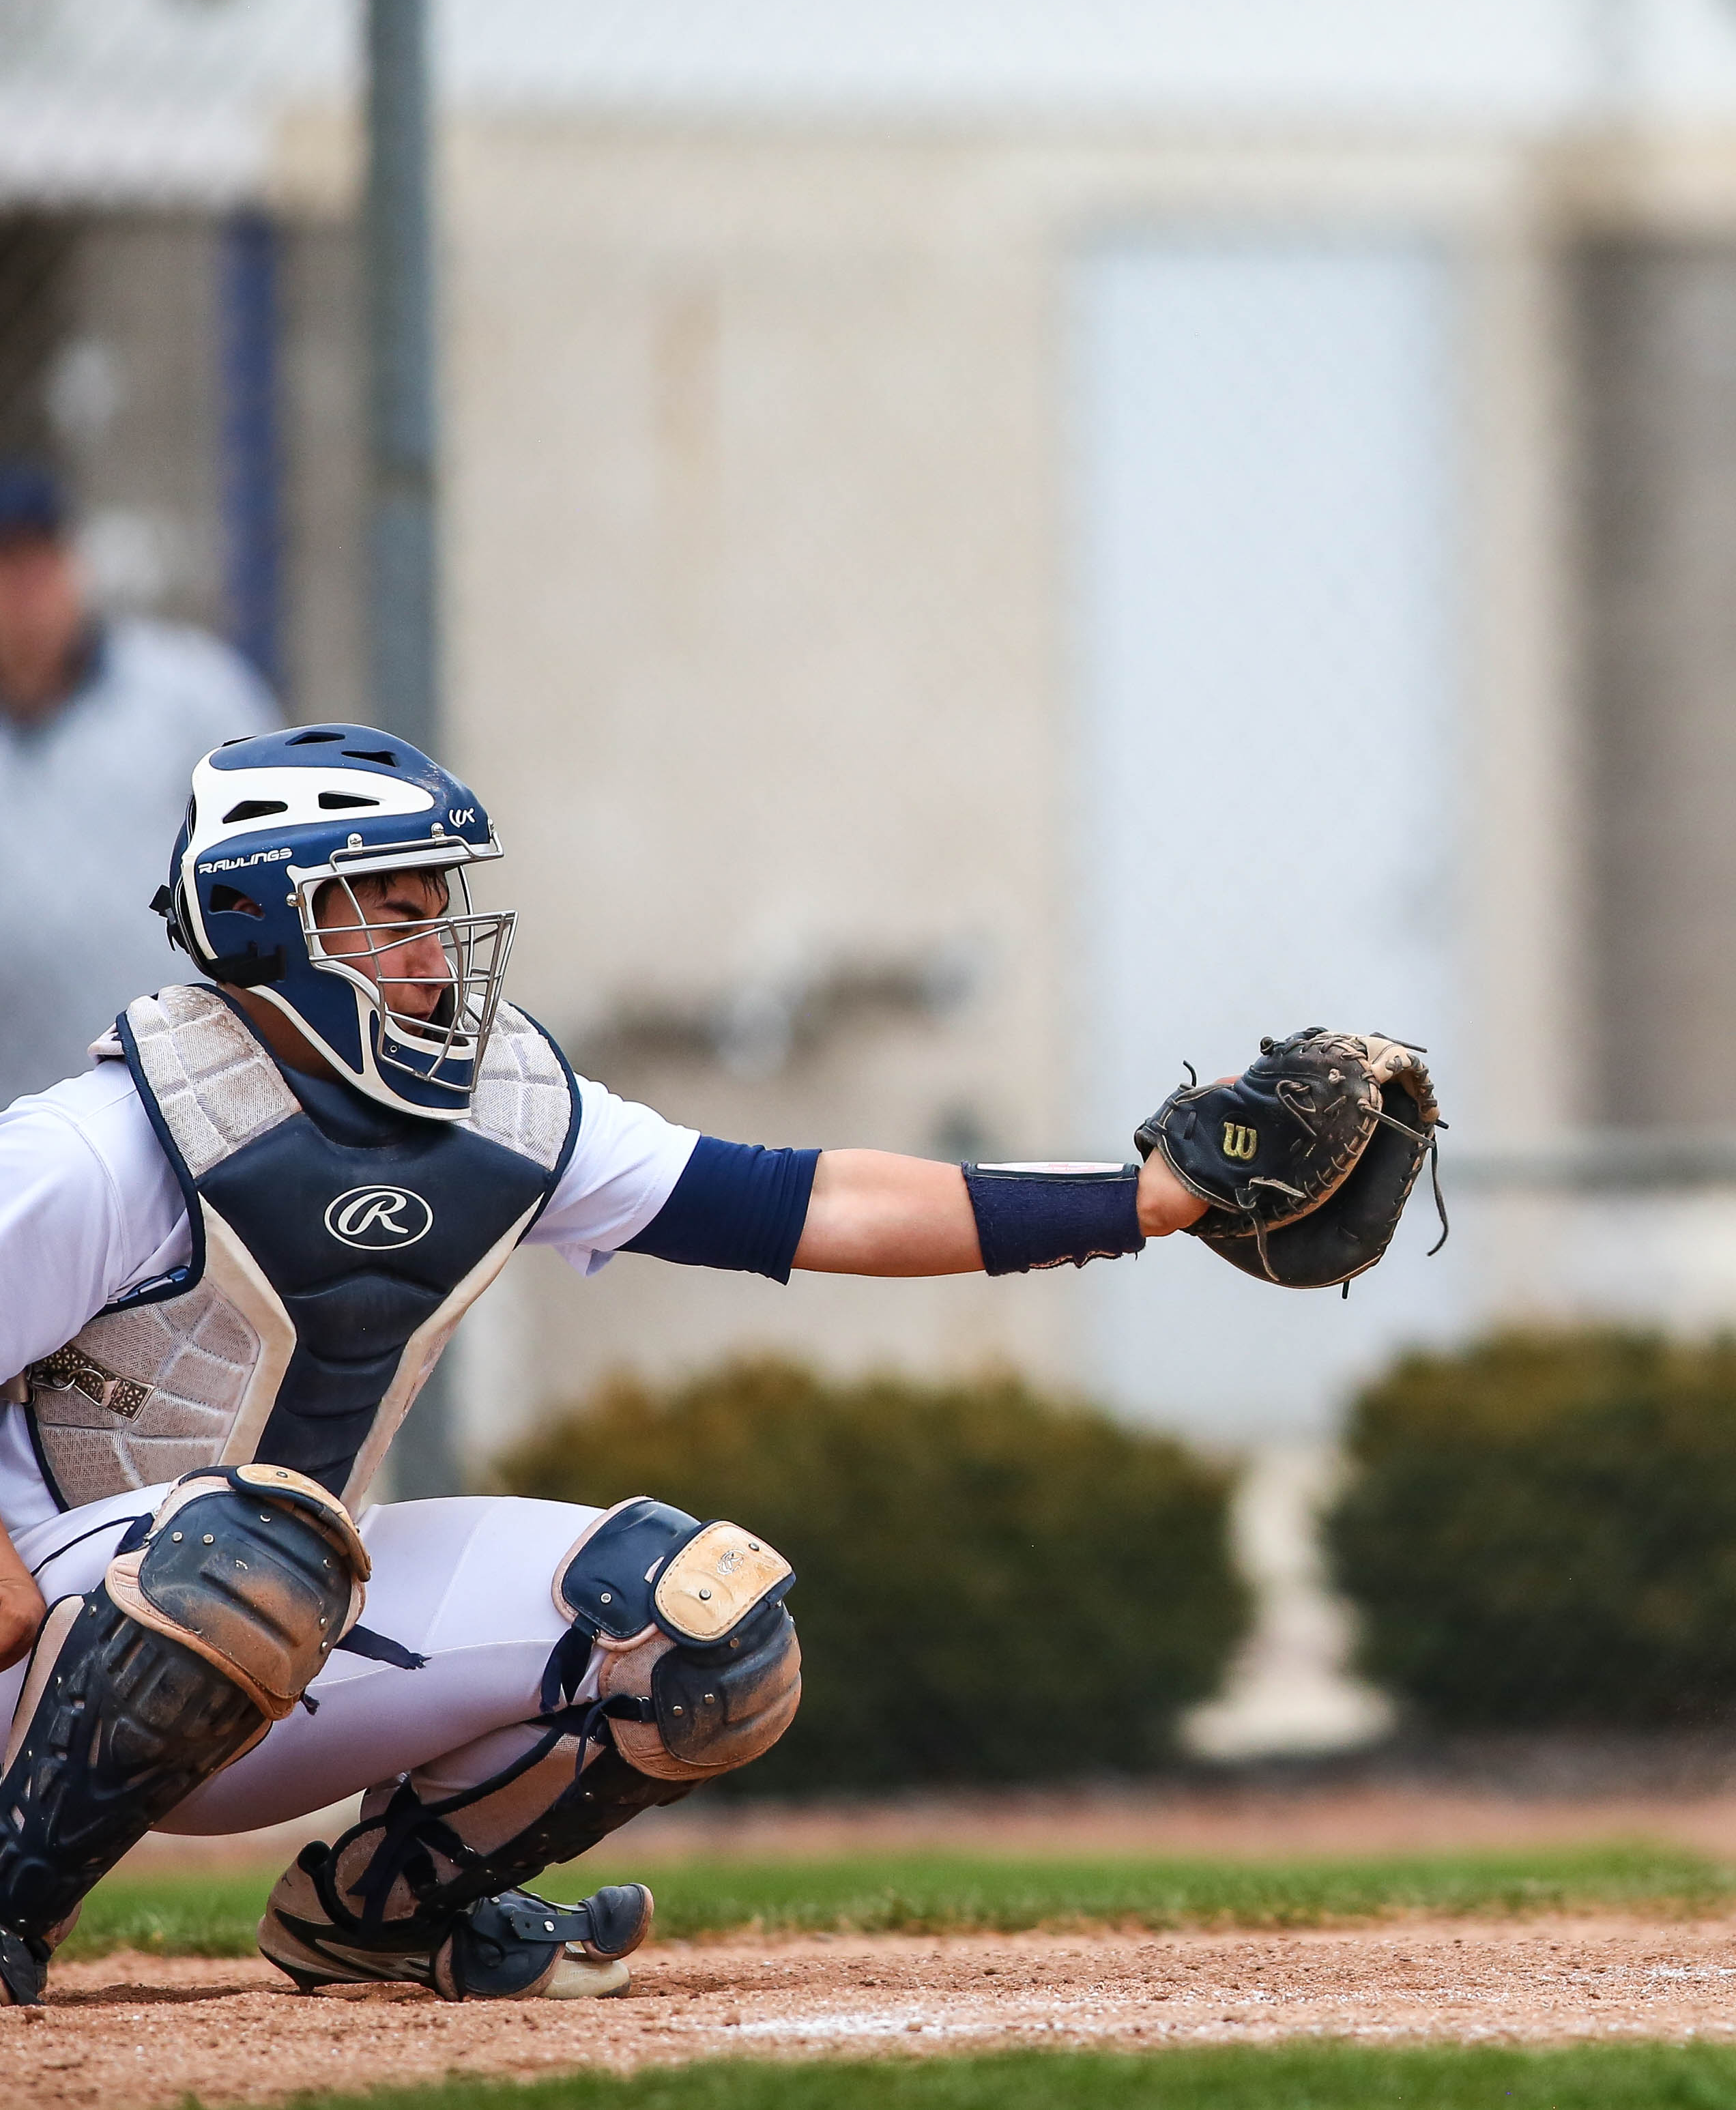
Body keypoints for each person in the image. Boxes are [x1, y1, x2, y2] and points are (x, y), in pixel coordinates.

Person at [0, 724, 1424, 2006]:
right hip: (38, 1657)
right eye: (385, 911)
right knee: (260, 1542)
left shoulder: (505, 1112)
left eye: (434, 904)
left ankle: (385, 1914)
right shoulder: (109, 1141)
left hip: (272, 1608)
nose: (432, 950)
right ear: (260, 920)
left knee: (701, 1626)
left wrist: (1143, 1202)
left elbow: (809, 1201)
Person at [0, 461, 278, 1103]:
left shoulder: (189, 693)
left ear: (73, 564)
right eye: (6, 567)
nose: (24, 592)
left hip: (184, 1099)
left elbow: (280, 862)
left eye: (38, 562)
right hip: (16, 1107)